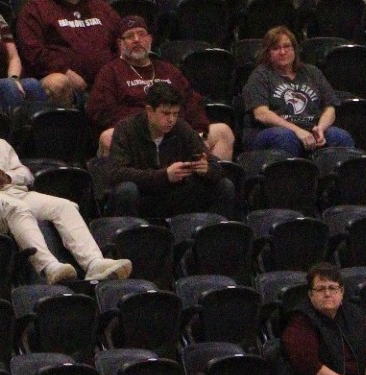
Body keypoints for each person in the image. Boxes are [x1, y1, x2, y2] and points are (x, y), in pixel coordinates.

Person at [0, 92, 131, 284]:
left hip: (13, 191)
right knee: (16, 208)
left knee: (64, 205)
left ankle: (94, 263)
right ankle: (48, 267)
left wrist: (7, 177)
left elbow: (26, 175)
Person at [88, 17, 234, 161]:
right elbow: (100, 110)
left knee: (223, 132)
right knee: (108, 137)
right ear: (120, 44)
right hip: (136, 136)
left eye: (141, 34)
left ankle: (209, 175)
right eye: (130, 36)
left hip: (175, 133)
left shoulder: (168, 70)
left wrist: (199, 131)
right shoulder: (110, 72)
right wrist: (147, 121)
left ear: (150, 39)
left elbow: (191, 101)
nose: (137, 40)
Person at [96, 82, 239, 221]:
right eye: (165, 113)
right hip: (141, 196)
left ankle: (213, 233)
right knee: (127, 190)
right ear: (149, 111)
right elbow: (116, 174)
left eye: (175, 114)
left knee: (224, 186)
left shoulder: (181, 128)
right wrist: (164, 176)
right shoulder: (126, 129)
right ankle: (131, 234)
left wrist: (206, 169)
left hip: (172, 197)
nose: (171, 119)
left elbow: (216, 166)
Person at [240, 27, 352, 157]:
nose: (283, 52)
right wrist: (297, 130)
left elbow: (330, 107)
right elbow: (261, 114)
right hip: (269, 131)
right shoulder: (260, 75)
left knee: (340, 136)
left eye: (287, 46)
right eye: (276, 48)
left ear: (294, 49)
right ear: (268, 53)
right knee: (285, 137)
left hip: (310, 128)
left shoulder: (312, 72)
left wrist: (321, 128)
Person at [17, 0, 120, 107]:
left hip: (105, 81)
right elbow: (32, 52)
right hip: (58, 78)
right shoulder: (35, 8)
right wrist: (63, 70)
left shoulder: (101, 7)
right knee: (58, 83)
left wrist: (111, 73)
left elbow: (121, 41)